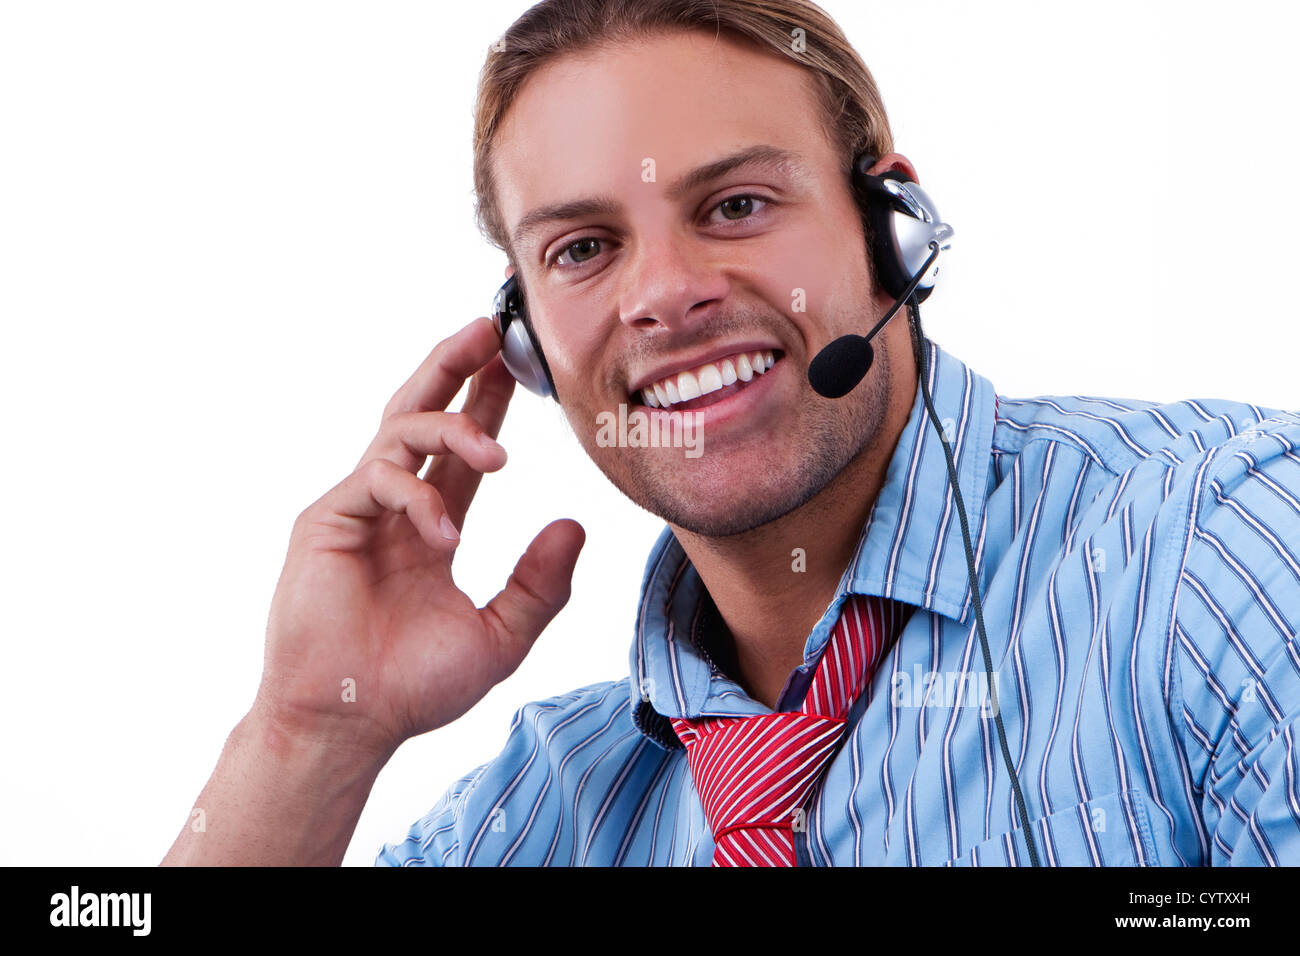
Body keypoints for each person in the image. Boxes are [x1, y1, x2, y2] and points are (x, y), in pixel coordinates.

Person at [163, 0, 1300, 867]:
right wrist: (307, 735)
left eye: (735, 206)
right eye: (582, 248)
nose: (663, 295)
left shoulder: (1217, 554)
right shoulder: (539, 813)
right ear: (525, 344)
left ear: (889, 230)